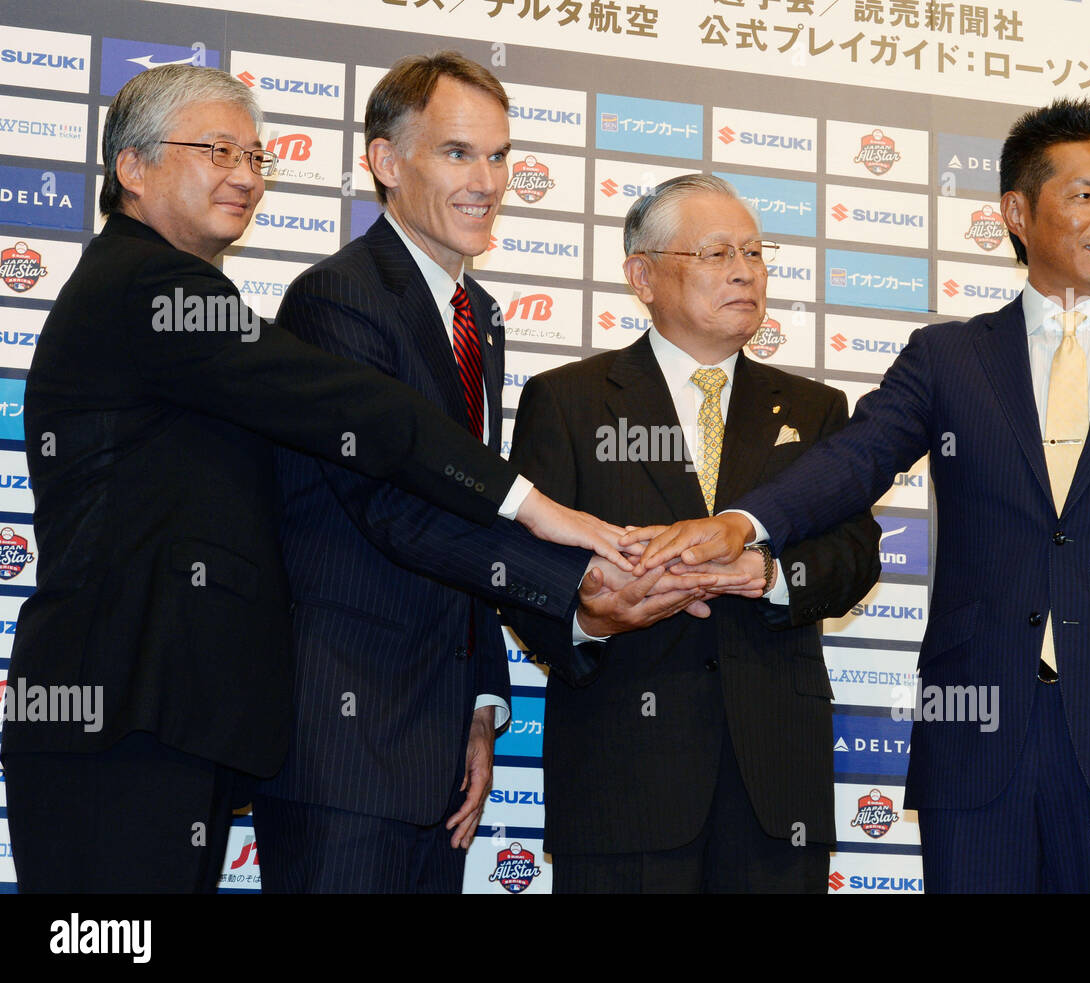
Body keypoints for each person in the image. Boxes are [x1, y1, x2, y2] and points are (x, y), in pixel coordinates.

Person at [0, 62, 640, 893]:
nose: (244, 175)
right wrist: (530, 504)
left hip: (169, 716)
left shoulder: (176, 296)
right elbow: (355, 408)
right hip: (120, 710)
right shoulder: (149, 286)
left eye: (255, 156)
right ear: (133, 167)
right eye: (216, 150)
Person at [635, 100, 1090, 893]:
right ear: (1017, 213)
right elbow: (856, 457)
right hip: (976, 743)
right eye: (1085, 195)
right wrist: (744, 522)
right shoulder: (948, 357)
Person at [249, 56, 728, 893]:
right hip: (344, 739)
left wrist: (479, 702)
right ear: (386, 162)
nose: (488, 181)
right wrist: (577, 581)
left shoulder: (478, 315)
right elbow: (393, 508)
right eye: (458, 153)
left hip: (436, 740)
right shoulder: (339, 299)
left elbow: (467, 511)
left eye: (499, 155)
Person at [504, 174, 881, 893]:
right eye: (715, 253)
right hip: (622, 783)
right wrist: (592, 617)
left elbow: (855, 555)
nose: (744, 271)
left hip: (775, 790)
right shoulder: (569, 400)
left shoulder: (816, 408)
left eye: (754, 252)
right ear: (642, 277)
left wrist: (770, 576)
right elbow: (520, 570)